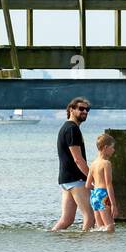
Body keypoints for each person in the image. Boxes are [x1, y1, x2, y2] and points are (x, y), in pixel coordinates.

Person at [50, 97, 94, 231]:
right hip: (76, 179)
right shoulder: (72, 129)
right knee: (89, 216)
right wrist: (92, 178)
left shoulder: (66, 127)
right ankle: (86, 248)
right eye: (81, 109)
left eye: (87, 109)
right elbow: (78, 159)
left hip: (66, 179)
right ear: (71, 109)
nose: (85, 112)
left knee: (67, 219)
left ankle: (51, 239)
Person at [87, 134, 119, 232]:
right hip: (103, 195)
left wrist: (97, 191)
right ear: (105, 147)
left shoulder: (93, 164)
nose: (113, 150)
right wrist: (113, 204)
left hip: (94, 196)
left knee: (100, 228)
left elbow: (87, 185)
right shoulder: (106, 163)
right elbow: (108, 184)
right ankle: (110, 247)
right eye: (112, 147)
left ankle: (100, 247)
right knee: (110, 227)